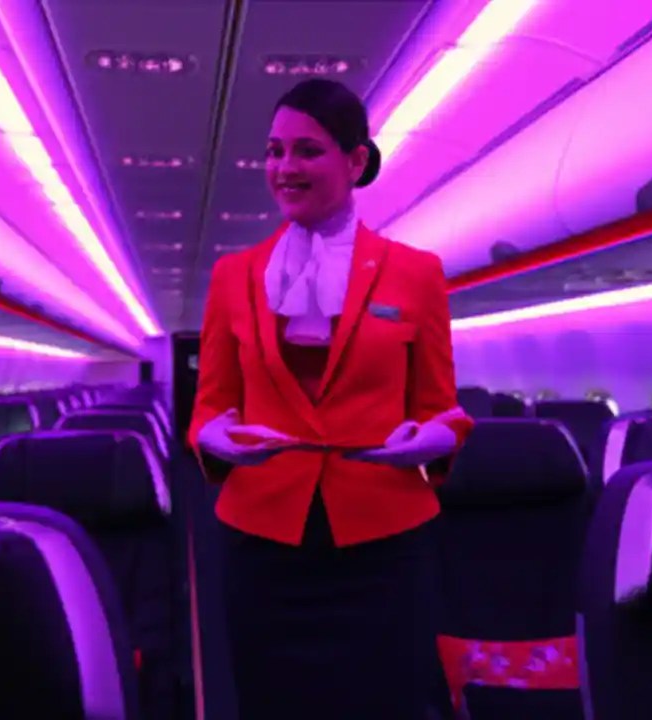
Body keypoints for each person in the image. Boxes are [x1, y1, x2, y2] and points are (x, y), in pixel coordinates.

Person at [187, 78, 474, 720]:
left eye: (308, 151)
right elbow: (209, 407)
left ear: (355, 160)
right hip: (262, 538)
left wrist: (433, 438)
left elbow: (441, 407)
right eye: (274, 151)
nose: (285, 167)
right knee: (272, 702)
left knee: (388, 703)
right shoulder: (234, 276)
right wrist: (212, 437)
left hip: (383, 537)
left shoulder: (416, 272)